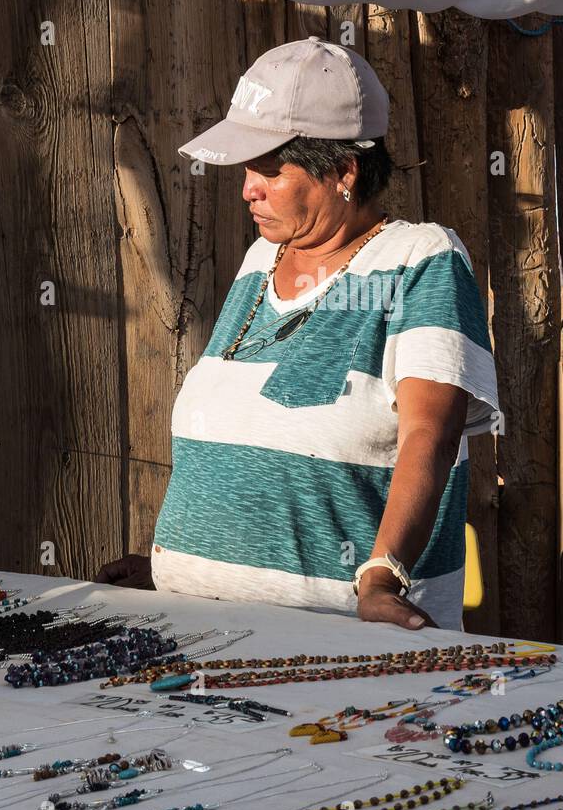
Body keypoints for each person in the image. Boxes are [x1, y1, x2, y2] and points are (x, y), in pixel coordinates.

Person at [98, 36, 500, 631]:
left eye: (267, 168)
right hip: (198, 625)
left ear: (342, 171)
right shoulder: (262, 259)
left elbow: (430, 437)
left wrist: (383, 578)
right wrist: (179, 569)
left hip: (335, 637)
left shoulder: (422, 259)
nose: (246, 188)